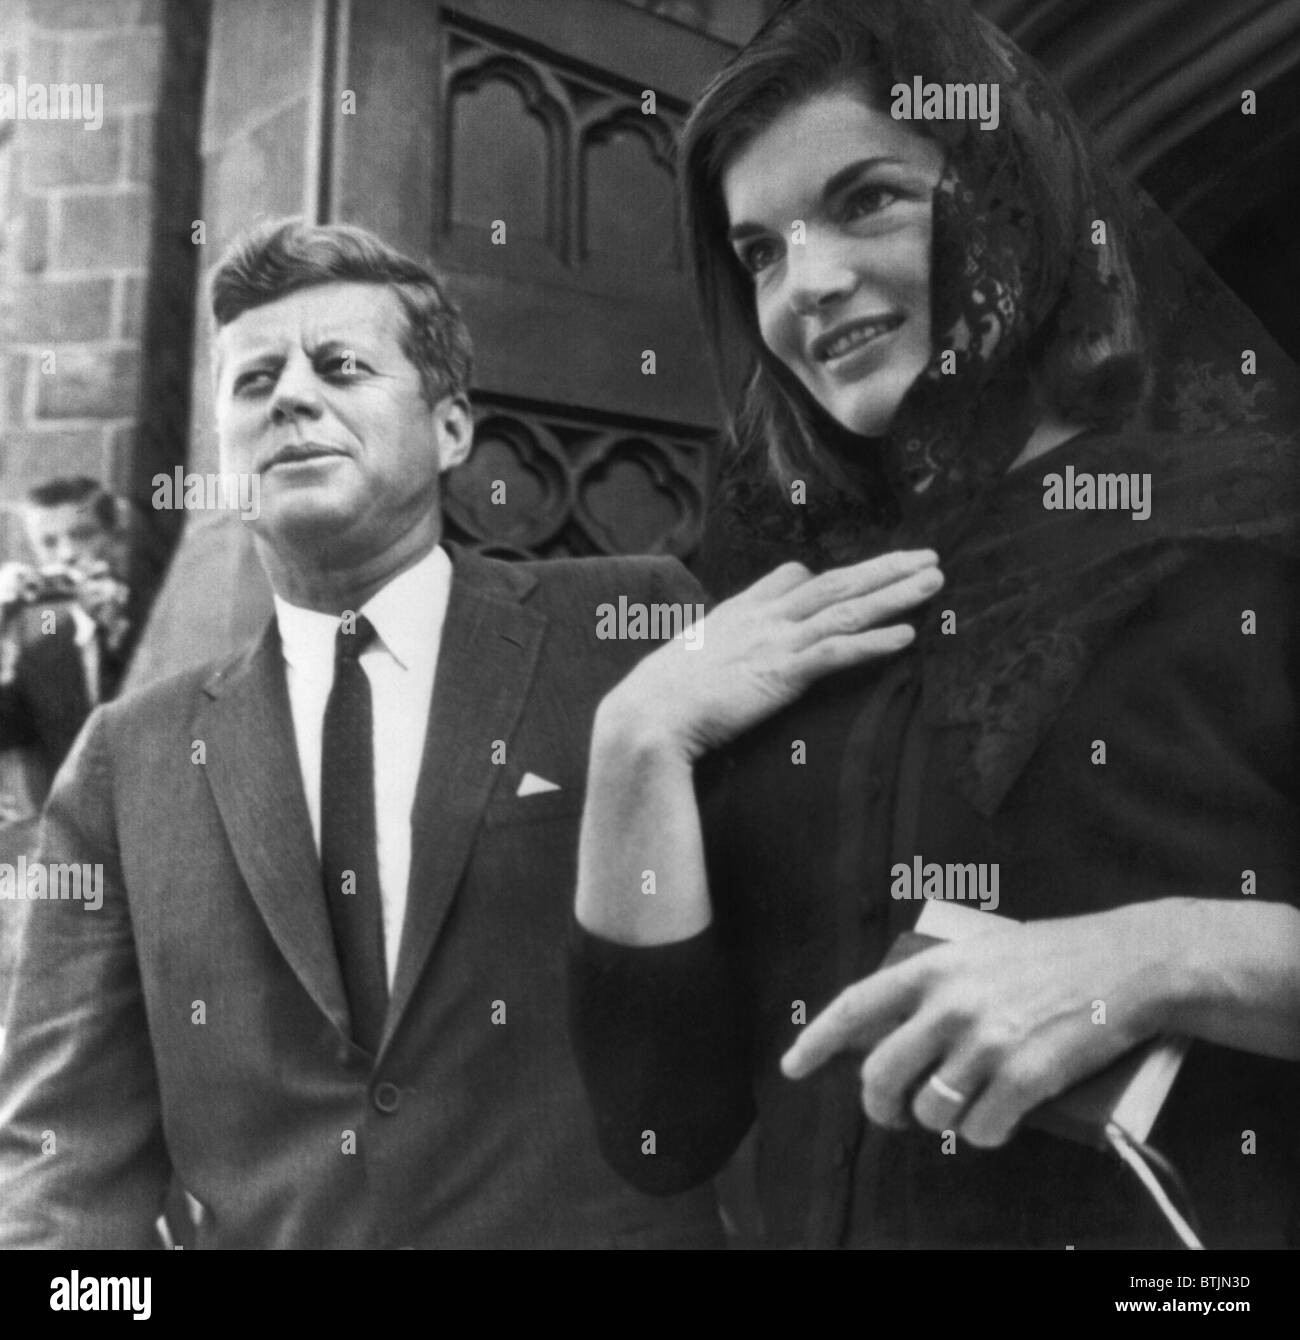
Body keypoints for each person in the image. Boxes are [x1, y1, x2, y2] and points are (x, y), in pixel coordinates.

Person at [570, 0, 1300, 1249]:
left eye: (867, 201)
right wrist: (632, 743)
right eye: (759, 251)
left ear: (1011, 206)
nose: (809, 284)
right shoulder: (784, 624)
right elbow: (661, 1131)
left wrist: (1160, 954)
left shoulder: (1256, 541)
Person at [0, 219, 727, 1249]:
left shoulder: (629, 628)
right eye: (253, 383)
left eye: (341, 366)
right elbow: (63, 1162)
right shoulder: (130, 757)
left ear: (451, 428)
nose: (291, 396)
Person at [0, 476, 131, 803]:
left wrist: (118, 632)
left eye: (82, 535)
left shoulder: (160, 618)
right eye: (49, 543)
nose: (69, 554)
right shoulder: (39, 660)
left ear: (115, 540)